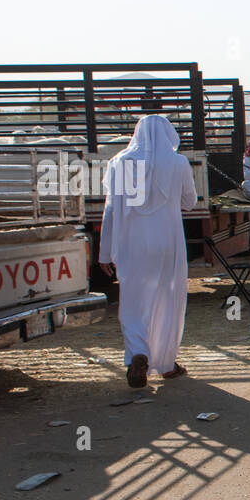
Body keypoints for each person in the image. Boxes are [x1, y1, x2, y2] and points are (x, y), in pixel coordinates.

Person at [97, 114, 198, 388]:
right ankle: (165, 363)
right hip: (167, 242)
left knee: (133, 303)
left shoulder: (120, 162)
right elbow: (190, 202)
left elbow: (111, 210)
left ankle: (138, 355)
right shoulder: (178, 163)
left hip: (132, 244)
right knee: (167, 299)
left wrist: (104, 253)